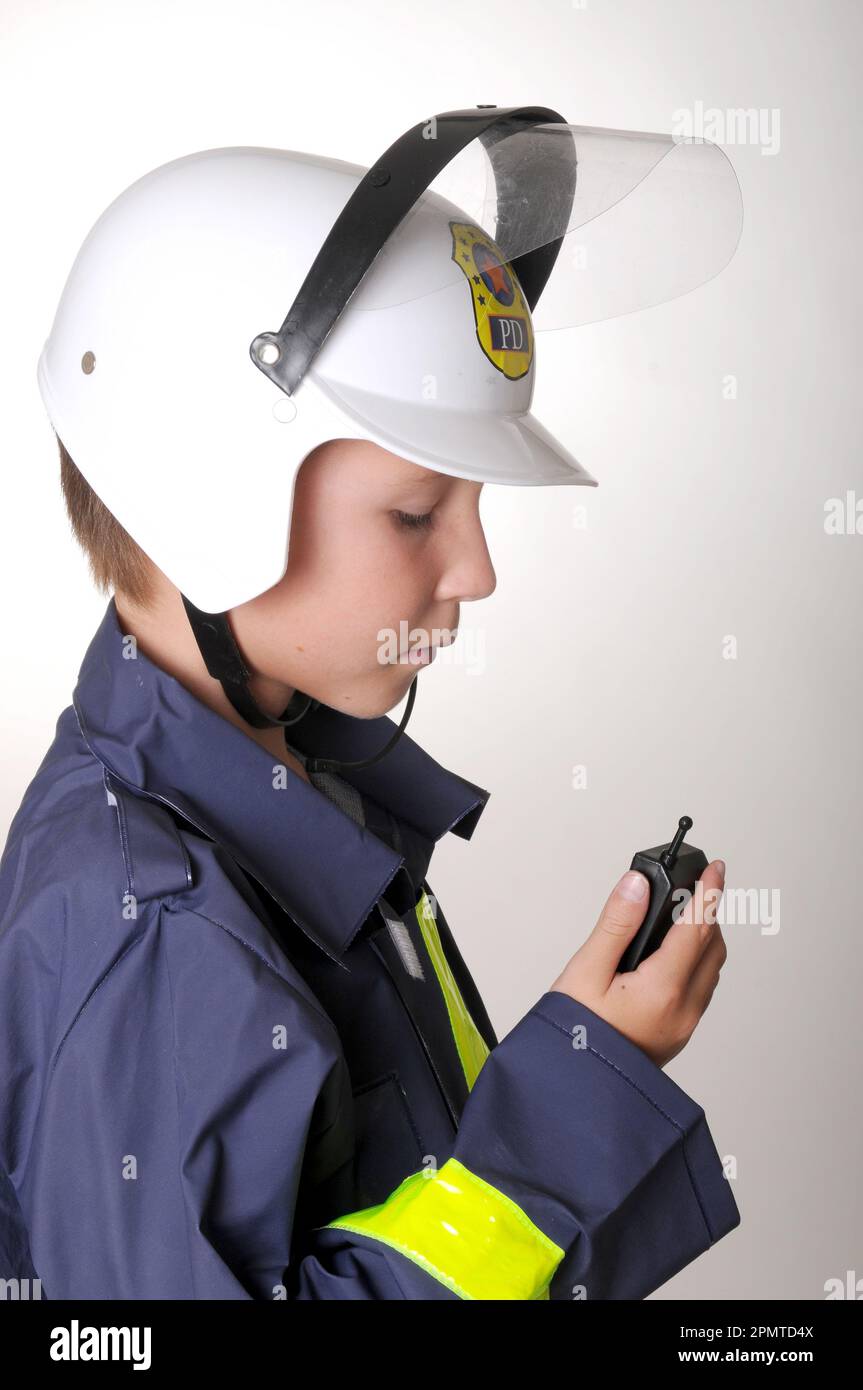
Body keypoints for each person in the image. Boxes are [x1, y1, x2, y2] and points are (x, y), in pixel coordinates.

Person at [0, 109, 742, 1300]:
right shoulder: (153, 927)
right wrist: (569, 1110)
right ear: (199, 495)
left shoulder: (293, 786)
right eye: (414, 512)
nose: (477, 570)